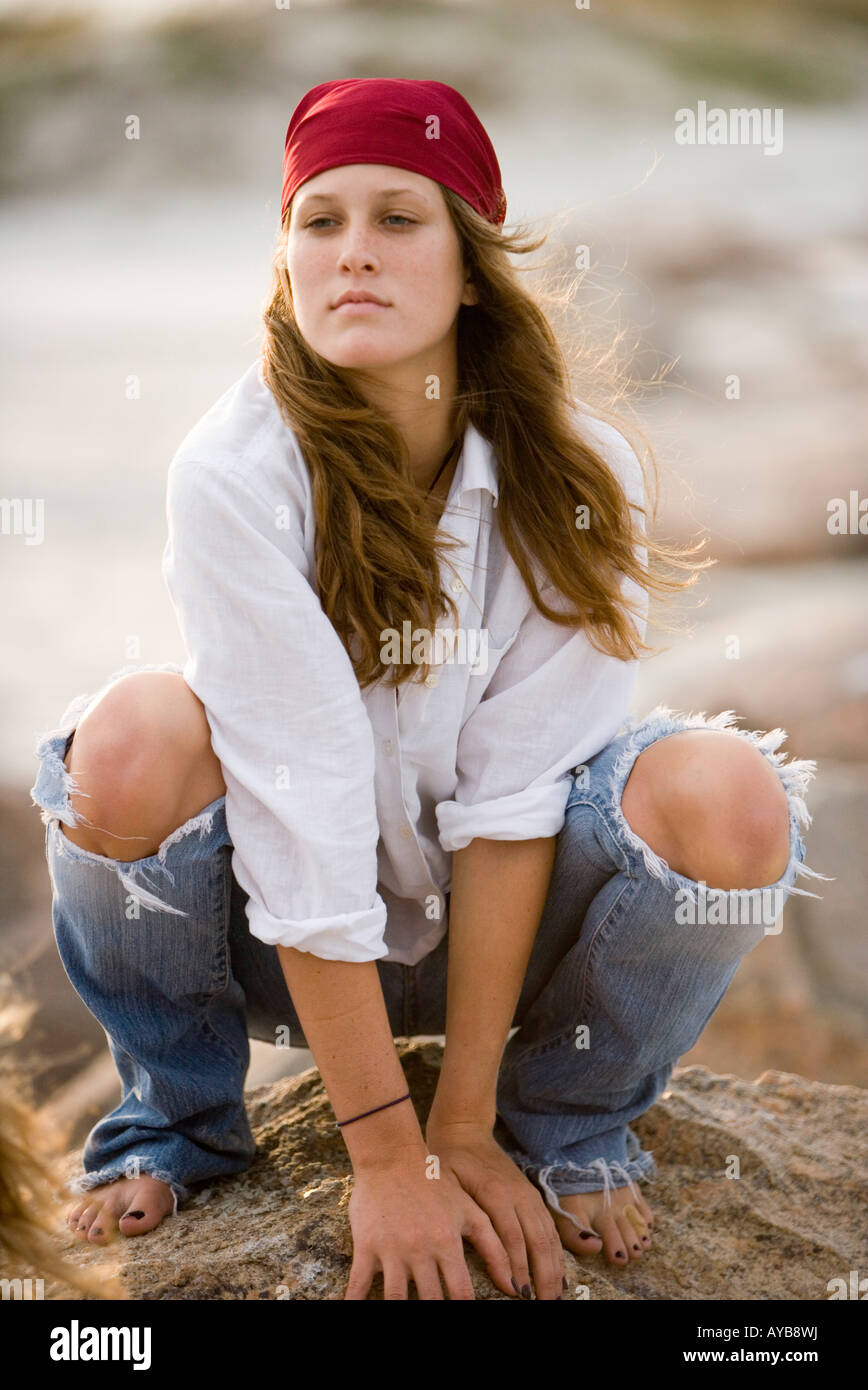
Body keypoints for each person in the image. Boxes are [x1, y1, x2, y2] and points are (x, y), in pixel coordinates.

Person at [29, 78, 828, 1302]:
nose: (352, 253)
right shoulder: (233, 474)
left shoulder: (579, 472)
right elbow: (300, 811)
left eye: (398, 219)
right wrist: (384, 1155)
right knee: (128, 735)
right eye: (319, 220)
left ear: (470, 269)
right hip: (276, 943)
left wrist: (456, 1131)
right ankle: (174, 1121)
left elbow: (515, 803)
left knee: (730, 792)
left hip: (504, 948)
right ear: (285, 259)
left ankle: (566, 1121)